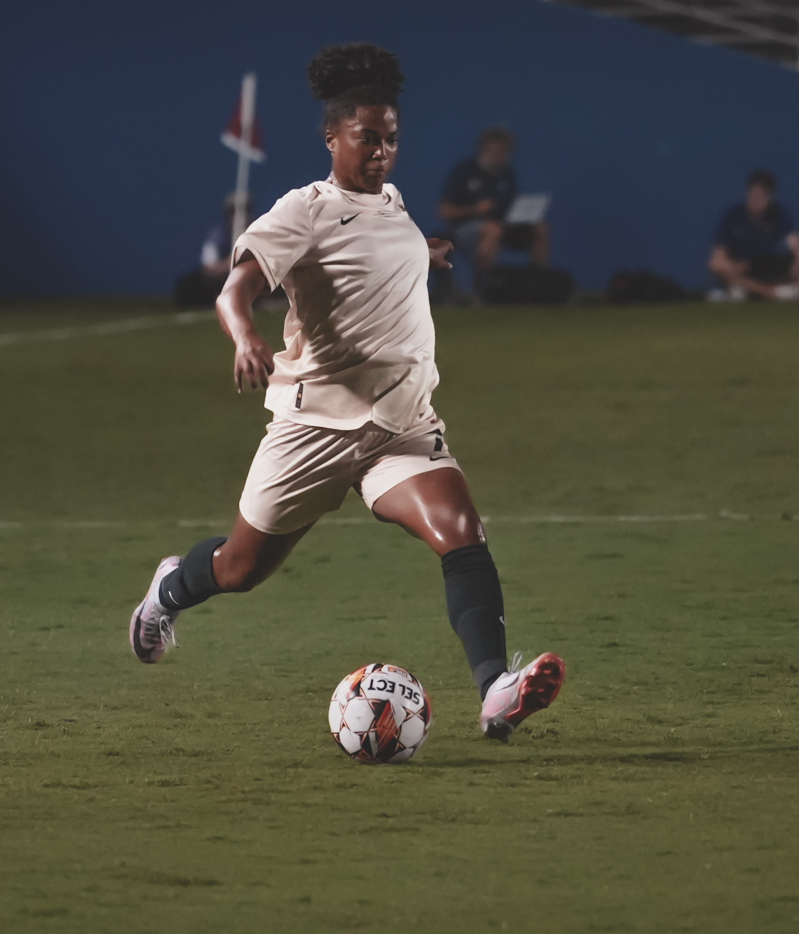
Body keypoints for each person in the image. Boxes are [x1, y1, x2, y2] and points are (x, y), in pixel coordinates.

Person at [125, 43, 566, 743]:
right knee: (240, 569)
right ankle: (169, 591)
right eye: (368, 138)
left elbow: (377, 248)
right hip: (314, 429)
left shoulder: (392, 204)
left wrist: (424, 251)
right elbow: (234, 289)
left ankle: (495, 689)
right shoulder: (301, 211)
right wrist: (244, 337)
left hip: (401, 426)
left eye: (392, 138)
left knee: (461, 533)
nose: (383, 151)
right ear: (332, 137)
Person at [437, 126, 549, 279]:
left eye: (504, 152)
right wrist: (475, 210)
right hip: (465, 228)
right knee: (493, 229)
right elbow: (444, 211)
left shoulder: (506, 174)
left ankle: (540, 282)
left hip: (502, 225)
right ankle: (483, 285)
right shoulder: (463, 173)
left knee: (540, 228)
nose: (500, 156)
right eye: (495, 151)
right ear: (483, 149)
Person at [707, 169, 799, 301]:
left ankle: (747, 290)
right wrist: (735, 265)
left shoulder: (779, 214)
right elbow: (718, 254)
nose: (756, 200)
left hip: (767, 266)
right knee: (716, 265)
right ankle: (768, 292)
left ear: (770, 197)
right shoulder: (733, 215)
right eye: (753, 194)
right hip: (742, 268)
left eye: (762, 196)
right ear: (746, 193)